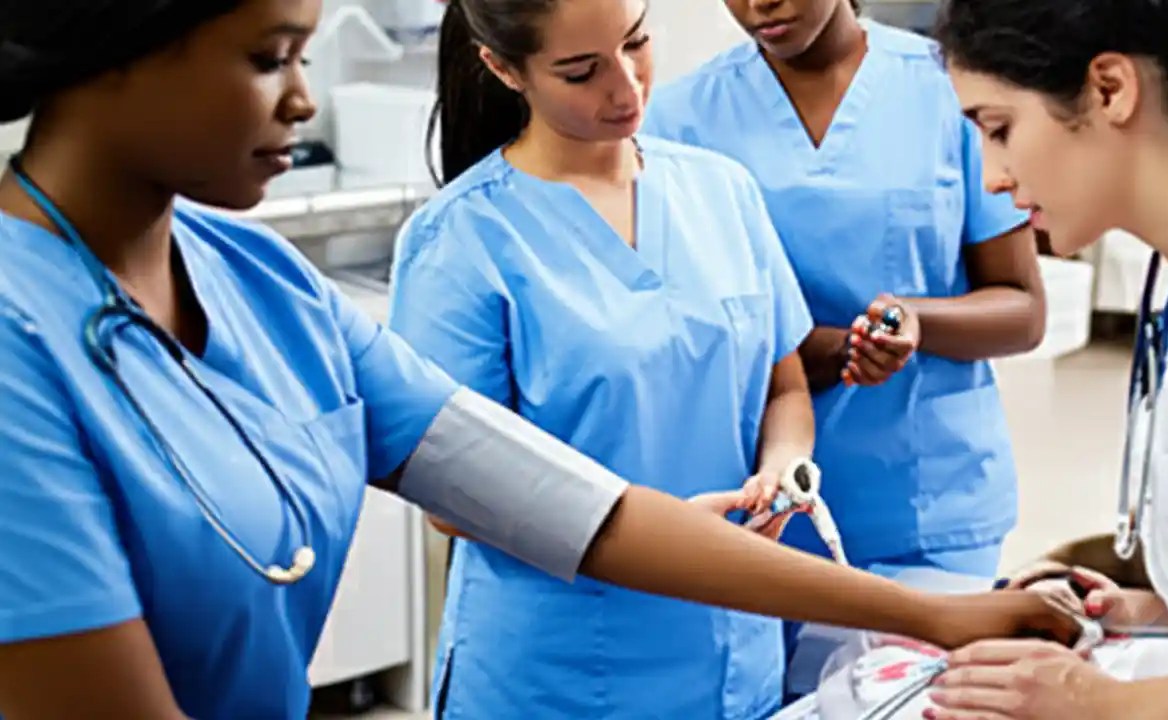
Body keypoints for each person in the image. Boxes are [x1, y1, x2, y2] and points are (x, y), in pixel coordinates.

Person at [0, 1, 1081, 718]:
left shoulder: (260, 282)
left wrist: (937, 612)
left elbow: (567, 505)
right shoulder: (17, 342)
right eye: (268, 57)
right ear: (114, 43)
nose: (301, 98)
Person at [388, 0, 820, 715]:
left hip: (730, 639)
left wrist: (784, 467)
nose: (625, 89)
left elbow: (786, 391)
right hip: (565, 666)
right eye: (581, 72)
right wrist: (651, 534)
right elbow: (451, 501)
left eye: (637, 43)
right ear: (503, 68)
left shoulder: (722, 191)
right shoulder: (462, 239)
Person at [923, 0, 1168, 717]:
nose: (991, 176)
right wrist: (1154, 608)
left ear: (1110, 89)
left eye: (999, 130)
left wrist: (1105, 705)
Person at [644, 0, 1045, 589]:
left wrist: (914, 321)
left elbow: (1023, 308)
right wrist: (803, 354)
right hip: (758, 509)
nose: (760, 5)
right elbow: (673, 332)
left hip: (930, 511)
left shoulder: (950, 91)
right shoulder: (679, 121)